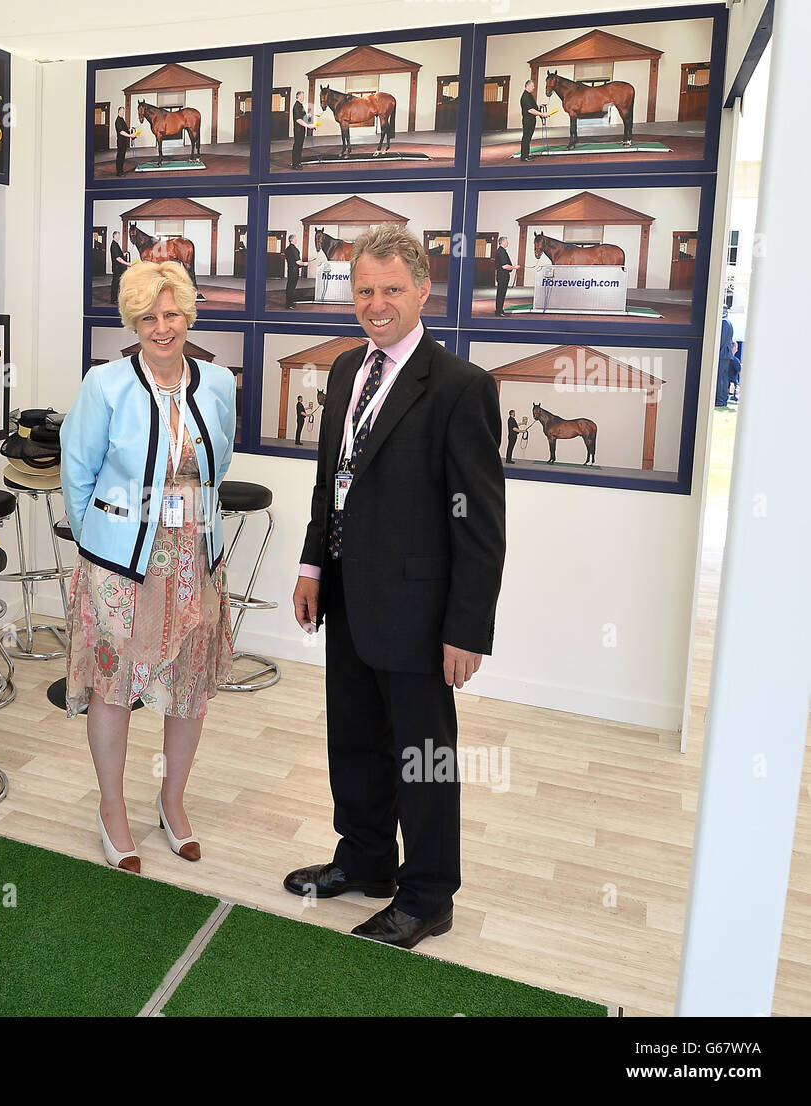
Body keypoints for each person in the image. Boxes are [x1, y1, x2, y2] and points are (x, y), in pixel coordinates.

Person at [285, 223, 507, 949]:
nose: (376, 304)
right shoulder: (349, 369)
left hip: (419, 609)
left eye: (391, 290)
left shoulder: (461, 387)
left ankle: (428, 895)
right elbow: (333, 482)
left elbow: (479, 522)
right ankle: (367, 860)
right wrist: (313, 566)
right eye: (364, 290)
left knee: (423, 756)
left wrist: (466, 628)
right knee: (353, 741)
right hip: (348, 595)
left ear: (423, 291)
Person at [60, 260, 238, 874]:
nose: (161, 327)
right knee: (114, 687)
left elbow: (221, 463)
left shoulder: (218, 384)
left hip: (193, 557)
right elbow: (76, 473)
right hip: (121, 566)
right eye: (147, 317)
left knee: (188, 689)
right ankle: (113, 810)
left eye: (171, 313)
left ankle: (172, 801)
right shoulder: (105, 384)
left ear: (188, 314)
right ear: (132, 323)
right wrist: (98, 546)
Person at [519, 79, 556, 162]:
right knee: (526, 138)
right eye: (532, 86)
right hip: (528, 120)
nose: (534, 87)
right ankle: (524, 156)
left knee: (528, 138)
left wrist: (539, 106)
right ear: (527, 86)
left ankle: (526, 155)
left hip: (532, 120)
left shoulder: (529, 95)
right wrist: (543, 114)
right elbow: (530, 110)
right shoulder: (525, 96)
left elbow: (533, 106)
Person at [291, 91, 316, 170]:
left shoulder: (300, 105)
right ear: (299, 97)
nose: (304, 97)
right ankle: (295, 164)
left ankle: (298, 162)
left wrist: (309, 115)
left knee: (299, 146)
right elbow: (298, 120)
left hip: (301, 129)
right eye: (303, 96)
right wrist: (308, 126)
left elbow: (303, 117)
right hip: (298, 130)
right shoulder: (296, 106)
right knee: (297, 146)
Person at [494, 236, 518, 316]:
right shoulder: (501, 252)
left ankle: (499, 309)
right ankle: (499, 311)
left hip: (502, 275)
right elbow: (505, 266)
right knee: (501, 294)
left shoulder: (501, 251)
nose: (508, 243)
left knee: (501, 293)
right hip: (502, 276)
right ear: (502, 242)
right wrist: (514, 267)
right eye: (506, 241)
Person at [715, 313, 735, 408]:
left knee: (719, 378)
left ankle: (719, 400)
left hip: (722, 353)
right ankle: (722, 400)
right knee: (723, 378)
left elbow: (720, 340)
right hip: (726, 354)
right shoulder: (728, 321)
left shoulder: (723, 322)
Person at [109, 231, 130, 305]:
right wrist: (127, 263)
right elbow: (117, 258)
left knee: (117, 284)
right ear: (114, 236)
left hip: (119, 268)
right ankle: (113, 300)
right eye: (118, 236)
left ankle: (115, 299)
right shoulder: (114, 245)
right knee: (115, 284)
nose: (119, 237)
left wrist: (124, 254)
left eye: (119, 236)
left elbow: (119, 255)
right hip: (117, 268)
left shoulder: (116, 244)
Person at [284, 234, 305, 308]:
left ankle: (289, 303)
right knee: (292, 287)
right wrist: (305, 264)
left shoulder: (287, 249)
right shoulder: (293, 249)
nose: (296, 240)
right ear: (292, 240)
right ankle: (289, 304)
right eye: (295, 239)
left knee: (290, 286)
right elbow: (298, 262)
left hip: (290, 269)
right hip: (294, 271)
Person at [114, 106, 133, 176]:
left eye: (124, 111)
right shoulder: (118, 121)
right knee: (120, 157)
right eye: (122, 111)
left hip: (124, 141)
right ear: (118, 112)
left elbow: (124, 130)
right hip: (121, 142)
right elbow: (121, 132)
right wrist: (130, 136)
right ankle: (119, 172)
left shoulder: (122, 120)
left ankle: (121, 171)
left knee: (122, 157)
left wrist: (129, 130)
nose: (123, 112)